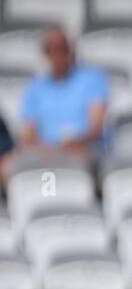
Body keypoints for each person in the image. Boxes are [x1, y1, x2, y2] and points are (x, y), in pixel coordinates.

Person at [10, 27, 109, 177]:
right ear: (45, 54)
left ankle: (69, 197)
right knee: (11, 165)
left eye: (62, 48)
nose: (58, 55)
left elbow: (95, 127)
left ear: (71, 51)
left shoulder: (92, 78)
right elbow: (28, 134)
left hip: (82, 149)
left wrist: (72, 144)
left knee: (75, 160)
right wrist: (45, 149)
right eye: (52, 49)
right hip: (46, 152)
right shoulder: (36, 87)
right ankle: (44, 197)